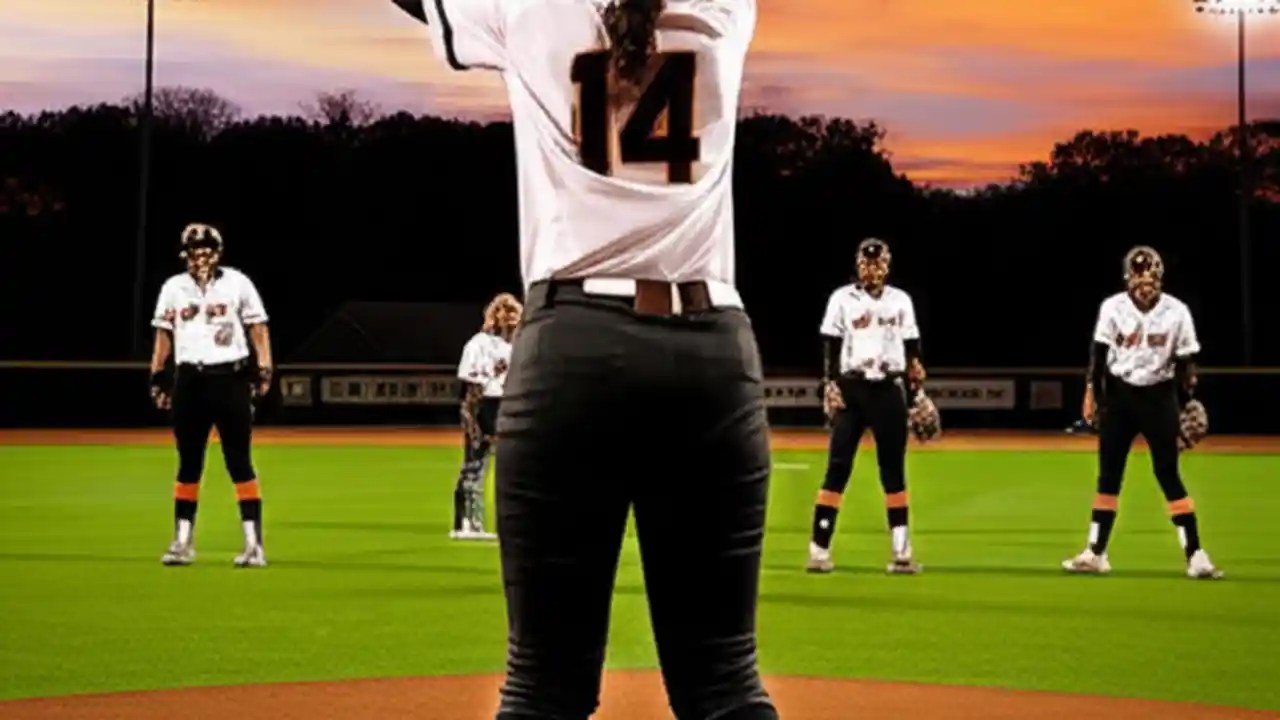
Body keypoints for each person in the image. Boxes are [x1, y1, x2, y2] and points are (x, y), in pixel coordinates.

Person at [390, 0, 776, 718]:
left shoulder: (527, 7)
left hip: (573, 344)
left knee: (543, 688)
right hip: (711, 349)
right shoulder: (723, 7)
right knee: (726, 685)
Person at [1062, 245, 1223, 580]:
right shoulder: (1113, 307)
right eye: (1139, 280)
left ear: (1160, 279)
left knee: (1167, 473)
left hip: (1159, 397)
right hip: (1119, 396)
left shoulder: (1177, 311)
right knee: (1108, 477)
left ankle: (1195, 554)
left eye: (1151, 280)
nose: (1145, 286)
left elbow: (1186, 362)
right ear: (1128, 280)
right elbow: (1098, 355)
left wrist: (1187, 401)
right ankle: (1095, 552)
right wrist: (1092, 394)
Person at [149, 223, 273, 568]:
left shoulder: (237, 282)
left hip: (230, 377)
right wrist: (157, 375)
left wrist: (264, 367)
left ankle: (253, 544)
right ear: (185, 254)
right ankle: (182, 541)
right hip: (190, 379)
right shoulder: (174, 287)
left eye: (206, 251)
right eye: (194, 251)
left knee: (239, 461)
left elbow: (258, 327)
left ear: (217, 253)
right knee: (189, 463)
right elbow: (163, 334)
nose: (200, 258)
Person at [806, 238, 926, 575]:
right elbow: (830, 344)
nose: (870, 269)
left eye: (876, 264)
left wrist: (917, 393)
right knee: (838, 466)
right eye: (865, 263)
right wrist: (829, 383)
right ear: (858, 265)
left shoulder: (900, 300)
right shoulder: (842, 298)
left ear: (886, 266)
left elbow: (912, 351)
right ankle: (818, 549)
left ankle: (901, 551)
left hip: (888, 389)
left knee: (893, 471)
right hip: (852, 388)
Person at [450, 292, 522, 541]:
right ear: (494, 315)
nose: (509, 317)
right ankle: (466, 522)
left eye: (513, 311)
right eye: (504, 311)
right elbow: (472, 384)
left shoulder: (521, 345)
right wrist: (474, 418)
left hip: (511, 404)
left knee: (515, 466)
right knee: (475, 463)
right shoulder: (479, 343)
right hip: (484, 404)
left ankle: (513, 522)